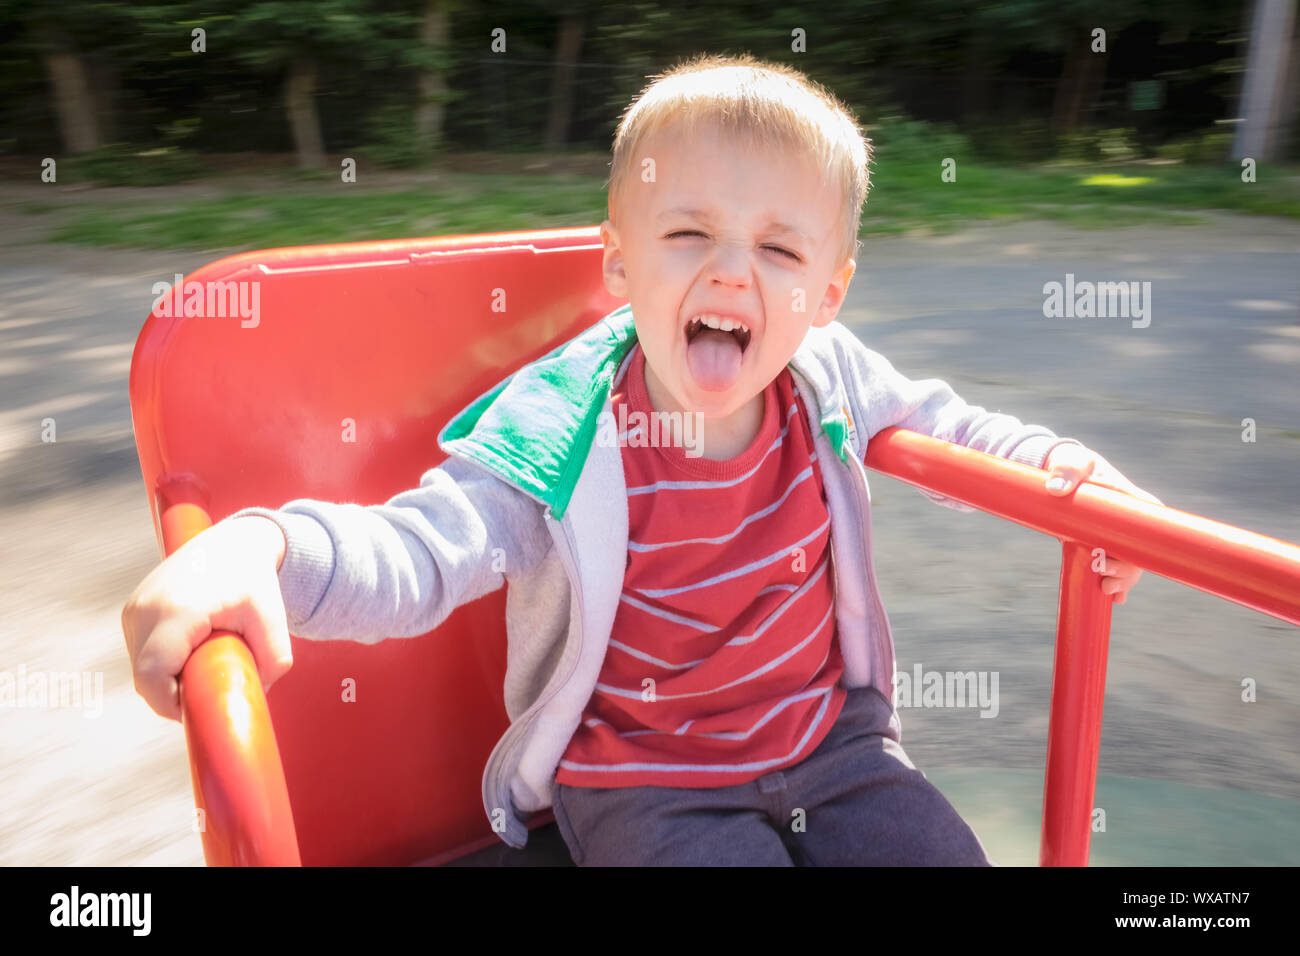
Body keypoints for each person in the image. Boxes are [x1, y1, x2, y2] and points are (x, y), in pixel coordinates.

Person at [121, 52, 1160, 866]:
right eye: (689, 232)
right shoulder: (565, 421)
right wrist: (262, 547)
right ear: (619, 259)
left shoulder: (828, 372)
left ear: (828, 291)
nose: (730, 271)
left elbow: (956, 424)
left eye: (781, 250)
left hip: (833, 749)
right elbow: (421, 550)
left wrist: (1076, 478)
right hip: (643, 776)